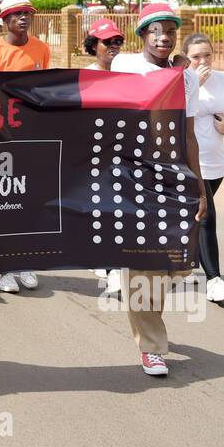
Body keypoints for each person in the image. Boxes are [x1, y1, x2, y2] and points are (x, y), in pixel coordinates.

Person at [109, 4, 209, 376]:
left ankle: (144, 311)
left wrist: (199, 188)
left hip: (172, 176)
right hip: (133, 176)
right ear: (142, 35)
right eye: (155, 31)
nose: (163, 37)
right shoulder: (125, 67)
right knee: (145, 263)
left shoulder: (185, 78)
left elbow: (189, 133)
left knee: (171, 263)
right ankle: (151, 346)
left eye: (169, 30)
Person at [0, 0, 50, 294]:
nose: (23, 18)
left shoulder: (41, 49)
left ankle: (24, 261)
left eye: (27, 14)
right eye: (17, 14)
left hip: (30, 134)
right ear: (5, 20)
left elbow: (46, 89)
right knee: (4, 198)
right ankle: (4, 266)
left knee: (28, 199)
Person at [182, 31, 224, 303]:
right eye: (196, 57)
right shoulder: (182, 80)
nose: (203, 61)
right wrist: (194, 83)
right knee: (207, 217)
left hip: (217, 157)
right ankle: (214, 281)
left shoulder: (223, 79)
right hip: (193, 160)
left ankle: (181, 262)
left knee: (192, 217)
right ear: (186, 58)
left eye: (207, 55)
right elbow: (172, 114)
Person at [82, 18, 126, 295]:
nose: (113, 46)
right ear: (93, 45)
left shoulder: (130, 73)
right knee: (106, 209)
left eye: (117, 41)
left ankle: (109, 262)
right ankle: (111, 269)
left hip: (127, 152)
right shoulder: (85, 76)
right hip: (96, 153)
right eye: (107, 42)